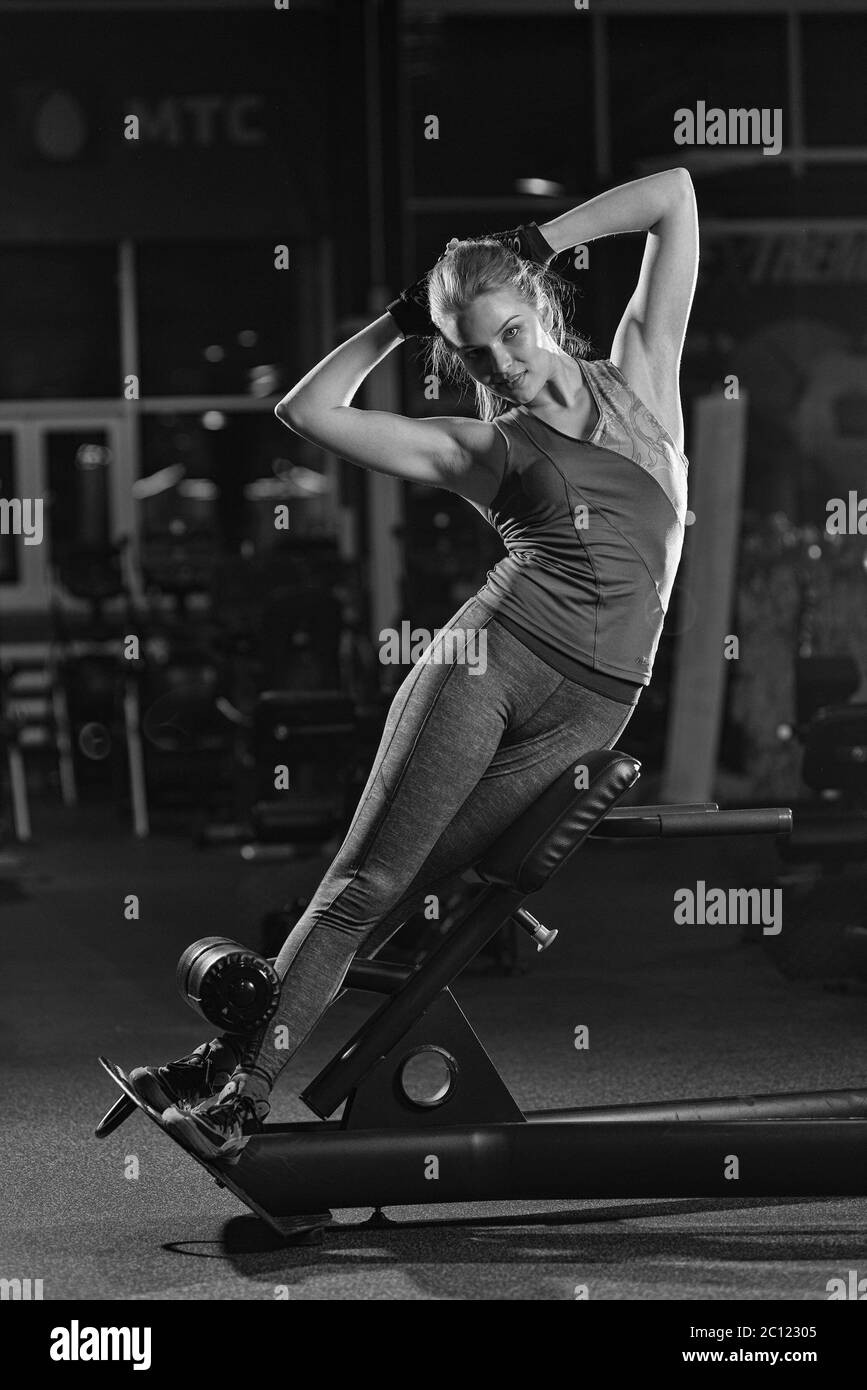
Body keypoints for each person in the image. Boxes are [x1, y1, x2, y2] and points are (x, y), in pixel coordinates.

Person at [133, 168, 699, 1159]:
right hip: (493, 660)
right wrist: (399, 323)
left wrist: (541, 234)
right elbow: (306, 415)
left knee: (407, 899)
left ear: (542, 300)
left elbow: (677, 196)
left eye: (514, 333)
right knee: (365, 886)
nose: (507, 363)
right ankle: (242, 1092)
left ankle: (223, 1058)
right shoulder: (482, 446)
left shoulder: (643, 375)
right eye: (479, 353)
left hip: (593, 710)